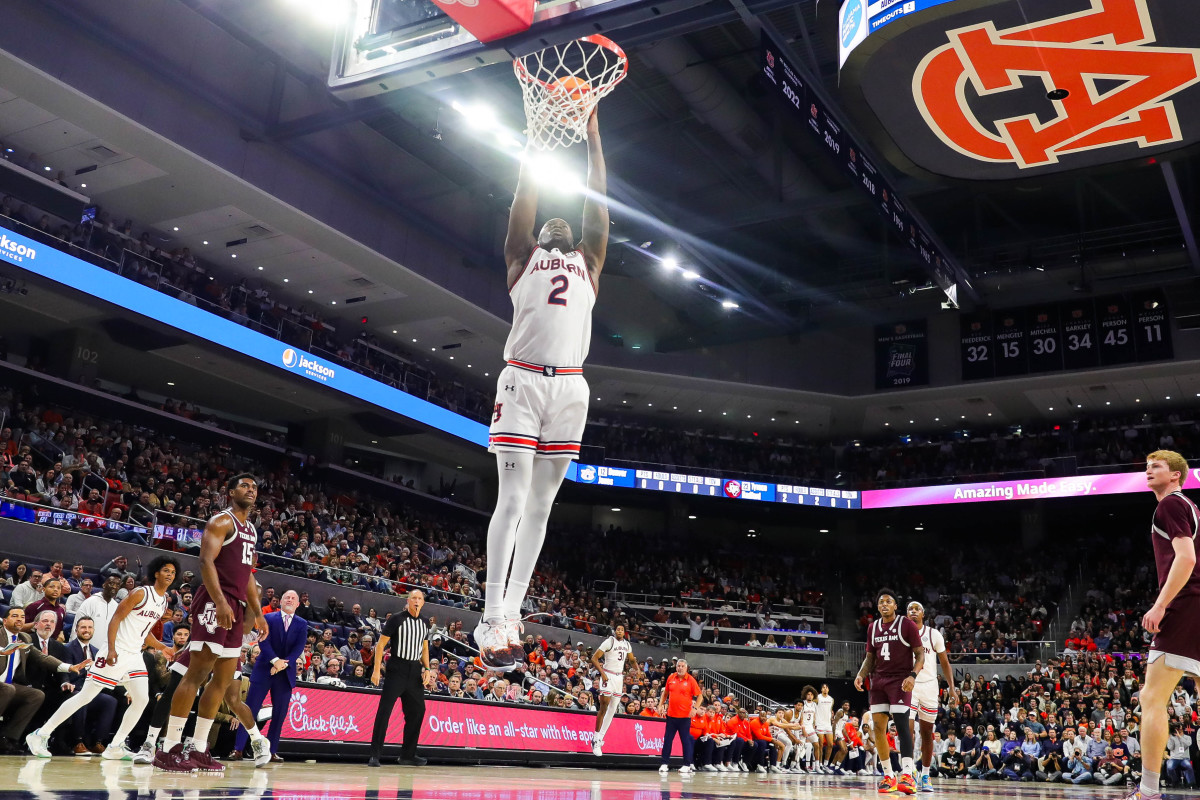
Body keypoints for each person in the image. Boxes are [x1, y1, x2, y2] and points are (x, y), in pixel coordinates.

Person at [475, 108, 609, 669]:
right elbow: (524, 194)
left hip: (571, 390)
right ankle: (489, 617)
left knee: (542, 506)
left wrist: (594, 138)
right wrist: (532, 140)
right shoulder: (520, 256)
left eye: (565, 222)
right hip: (524, 381)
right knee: (512, 499)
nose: (556, 221)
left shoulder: (591, 261)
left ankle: (512, 610)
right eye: (544, 223)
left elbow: (597, 200)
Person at [154, 473, 272, 772]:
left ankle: (198, 748)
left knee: (221, 682)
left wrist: (257, 612)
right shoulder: (222, 521)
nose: (251, 490)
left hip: (235, 605)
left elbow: (247, 577)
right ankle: (168, 749)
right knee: (196, 674)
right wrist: (219, 601)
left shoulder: (251, 530)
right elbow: (206, 561)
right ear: (231, 492)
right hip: (213, 601)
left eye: (254, 487)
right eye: (245, 485)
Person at [27, 556, 180, 760]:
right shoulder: (141, 593)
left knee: (142, 699)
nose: (170, 574)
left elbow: (144, 630)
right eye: (166, 570)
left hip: (134, 655)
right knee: (85, 696)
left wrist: (162, 647)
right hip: (116, 651)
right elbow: (115, 618)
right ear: (156, 573)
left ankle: (115, 746)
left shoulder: (162, 601)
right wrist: (111, 649)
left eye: (173, 572)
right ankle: (40, 734)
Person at [1126, 450, 1200, 800]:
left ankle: (1149, 792)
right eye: (1146, 467)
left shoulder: (1170, 504)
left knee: (1152, 697)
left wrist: (1160, 605)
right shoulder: (1191, 508)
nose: (1148, 471)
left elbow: (1186, 558)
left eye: (1156, 466)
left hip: (1186, 607)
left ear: (1176, 475)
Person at [855, 588, 925, 794]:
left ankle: (907, 774)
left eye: (889, 601)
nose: (884, 604)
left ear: (895, 606)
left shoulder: (906, 624)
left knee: (902, 725)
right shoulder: (872, 628)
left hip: (900, 680)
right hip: (878, 681)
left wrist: (913, 676)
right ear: (877, 607)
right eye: (881, 602)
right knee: (877, 727)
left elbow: (920, 655)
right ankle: (888, 775)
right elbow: (870, 657)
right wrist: (860, 674)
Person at [0, 608, 89, 754]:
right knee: (9, 689)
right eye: (14, 616)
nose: (19, 619)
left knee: (36, 695)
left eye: (22, 617)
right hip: (5, 686)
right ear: (4, 620)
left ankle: (8, 738)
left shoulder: (24, 638)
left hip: (10, 685)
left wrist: (70, 667)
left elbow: (43, 658)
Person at [232, 589, 306, 761]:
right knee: (249, 710)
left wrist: (282, 664)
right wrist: (275, 661)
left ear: (298, 604)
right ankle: (238, 749)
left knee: (279, 715)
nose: (289, 599)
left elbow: (298, 648)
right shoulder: (269, 619)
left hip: (285, 673)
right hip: (264, 669)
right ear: (280, 602)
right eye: (286, 597)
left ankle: (271, 752)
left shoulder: (302, 623)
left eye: (293, 598)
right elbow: (263, 642)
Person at [369, 589, 430, 768]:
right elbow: (380, 646)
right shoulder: (396, 619)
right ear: (408, 601)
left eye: (420, 598)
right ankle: (374, 755)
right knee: (384, 712)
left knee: (418, 711)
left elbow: (425, 648)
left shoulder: (425, 622)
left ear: (423, 602)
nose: (417, 601)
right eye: (414, 598)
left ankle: (407, 755)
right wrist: (376, 670)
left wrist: (426, 668)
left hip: (414, 671)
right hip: (397, 668)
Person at [906, 600, 955, 792]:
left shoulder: (933, 634)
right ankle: (908, 772)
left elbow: (945, 662)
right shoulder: (902, 635)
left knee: (927, 733)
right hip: (908, 685)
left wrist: (952, 687)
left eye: (917, 609)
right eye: (910, 609)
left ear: (923, 615)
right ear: (906, 614)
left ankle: (925, 774)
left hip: (929, 687)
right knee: (906, 731)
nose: (913, 611)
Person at [60, 617, 116, 756]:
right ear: (76, 629)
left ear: (94, 631)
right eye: (83, 627)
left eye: (90, 627)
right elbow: (64, 670)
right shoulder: (67, 648)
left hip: (92, 690)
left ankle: (98, 742)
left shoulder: (97, 651)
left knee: (110, 701)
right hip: (74, 689)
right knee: (82, 698)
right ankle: (77, 742)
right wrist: (66, 682)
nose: (87, 630)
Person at [590, 623, 638, 756]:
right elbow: (594, 658)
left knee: (613, 709)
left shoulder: (627, 644)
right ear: (615, 631)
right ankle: (595, 737)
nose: (620, 631)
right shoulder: (609, 641)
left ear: (625, 632)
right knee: (603, 707)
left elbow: (632, 660)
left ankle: (600, 738)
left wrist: (637, 670)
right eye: (618, 629)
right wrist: (603, 674)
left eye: (622, 629)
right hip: (608, 674)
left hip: (619, 677)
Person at [657, 658, 702, 774]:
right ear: (676, 667)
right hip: (671, 715)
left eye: (682, 666)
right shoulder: (671, 678)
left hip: (685, 717)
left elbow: (700, 697)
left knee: (685, 741)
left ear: (686, 668)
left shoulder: (691, 680)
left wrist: (695, 708)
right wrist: (661, 704)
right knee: (667, 740)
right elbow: (665, 693)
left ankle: (687, 765)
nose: (680, 668)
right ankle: (664, 763)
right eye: (678, 666)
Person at [815, 683, 837, 773]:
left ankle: (825, 764)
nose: (825, 689)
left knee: (830, 744)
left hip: (827, 724)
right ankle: (819, 764)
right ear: (821, 689)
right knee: (820, 745)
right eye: (823, 687)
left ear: (828, 689)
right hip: (819, 723)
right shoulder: (817, 697)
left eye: (826, 687)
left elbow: (830, 711)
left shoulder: (831, 699)